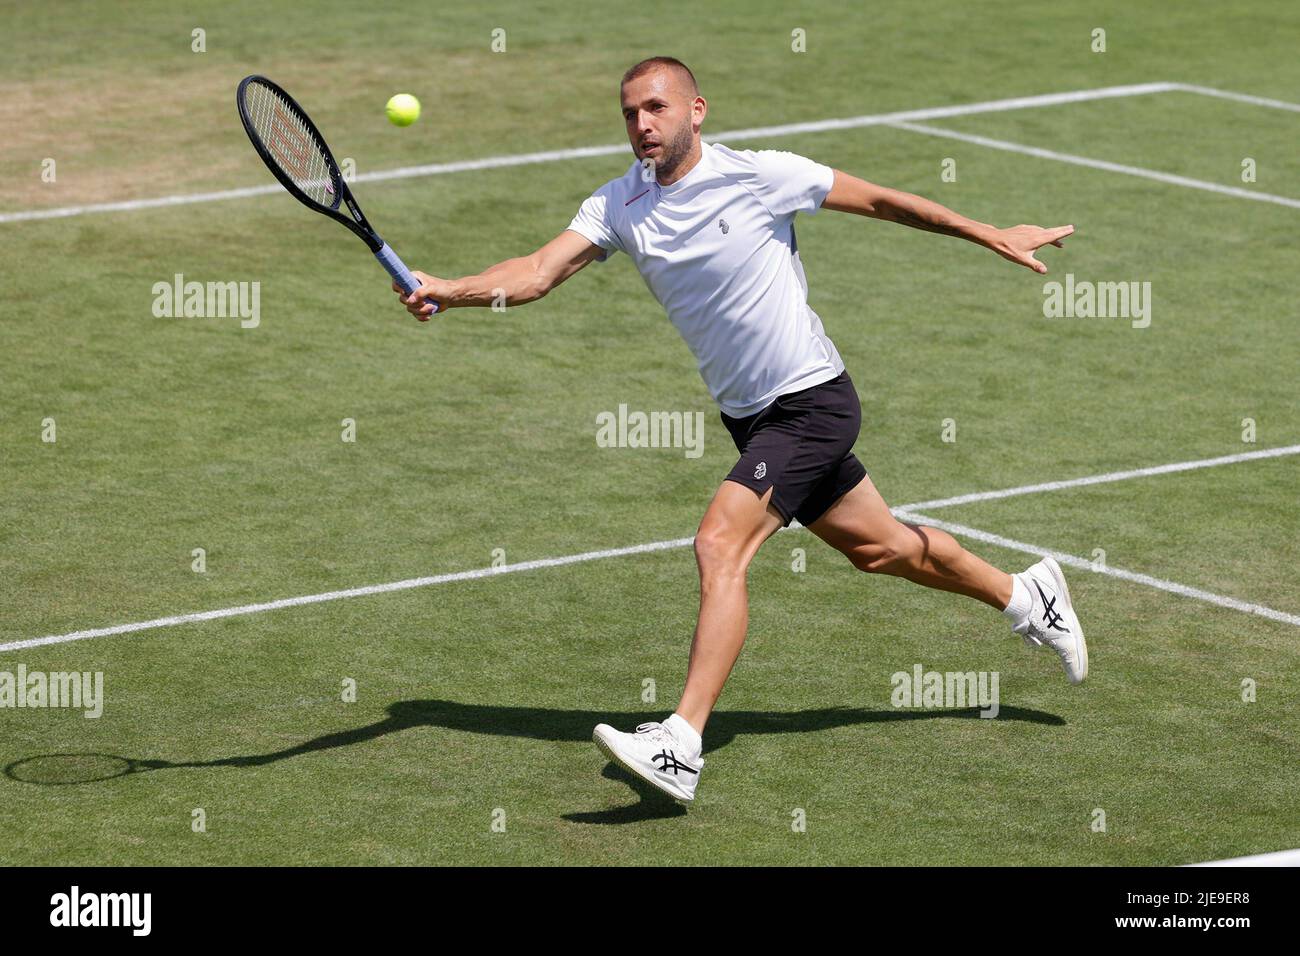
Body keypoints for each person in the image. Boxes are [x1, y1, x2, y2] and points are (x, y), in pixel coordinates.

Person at [395, 56, 1086, 804]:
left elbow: (884, 202)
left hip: (811, 400)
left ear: (697, 110)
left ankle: (682, 743)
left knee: (719, 543)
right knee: (879, 549)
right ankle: (1027, 596)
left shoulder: (762, 175)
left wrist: (988, 232)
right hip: (751, 417)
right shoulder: (620, 204)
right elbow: (535, 271)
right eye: (629, 113)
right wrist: (451, 291)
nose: (641, 125)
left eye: (655, 108)